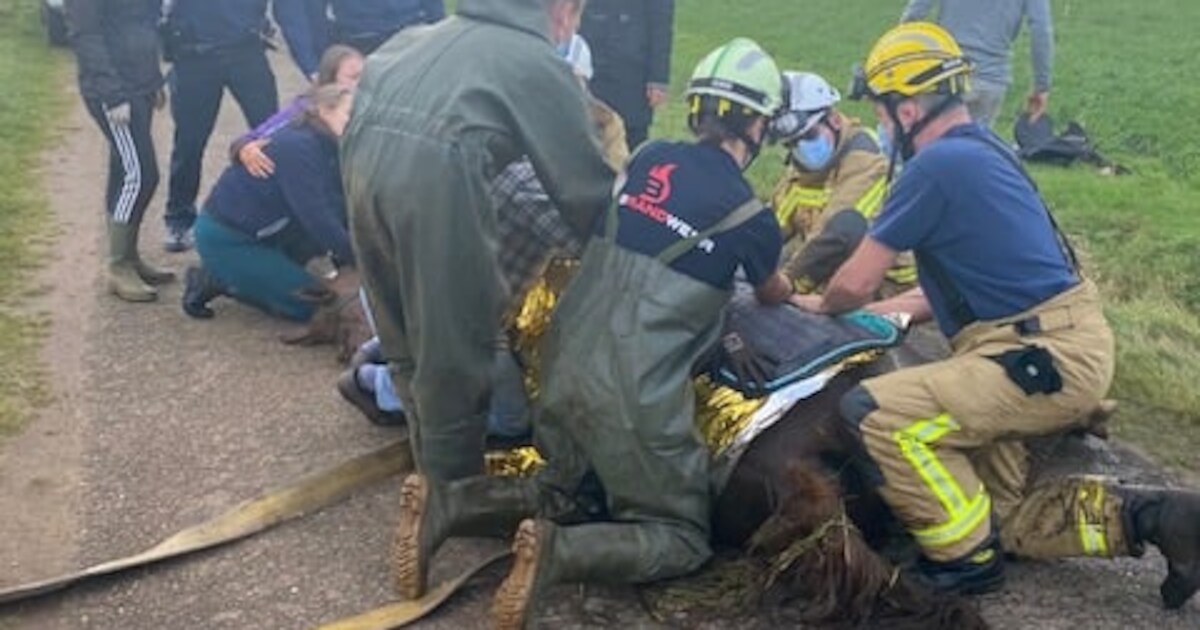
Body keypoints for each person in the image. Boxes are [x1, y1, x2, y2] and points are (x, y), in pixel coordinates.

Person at [790, 22, 1200, 606]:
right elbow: (939, 296)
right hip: (1052, 346)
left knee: (881, 417)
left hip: (1032, 356)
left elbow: (851, 282)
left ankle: (965, 566)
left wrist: (819, 306)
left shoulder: (932, 169)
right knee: (989, 513)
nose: (880, 123)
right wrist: (879, 314)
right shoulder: (981, 150)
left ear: (906, 110)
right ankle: (1160, 518)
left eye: (882, 111)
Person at [390, 38, 793, 629]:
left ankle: (447, 507)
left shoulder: (650, 156)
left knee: (564, 488)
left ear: (698, 109)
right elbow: (770, 293)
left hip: (561, 363)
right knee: (679, 536)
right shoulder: (751, 217)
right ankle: (560, 554)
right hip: (634, 394)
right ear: (758, 124)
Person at [342, 0, 615, 483]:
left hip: (362, 168)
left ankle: (418, 445)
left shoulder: (421, 38)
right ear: (564, 8)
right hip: (436, 183)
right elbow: (589, 197)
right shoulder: (538, 61)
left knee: (404, 327)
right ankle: (450, 497)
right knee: (457, 348)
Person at [181, 85, 357, 321]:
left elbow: (338, 204)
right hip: (228, 237)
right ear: (324, 110)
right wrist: (361, 259)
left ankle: (245, 274)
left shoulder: (330, 141)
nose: (356, 123)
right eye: (350, 115)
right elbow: (318, 217)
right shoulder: (297, 146)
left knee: (322, 254)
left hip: (271, 229)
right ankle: (216, 278)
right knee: (320, 306)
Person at [160, 0, 306, 252]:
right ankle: (178, 219)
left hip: (246, 51)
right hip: (194, 56)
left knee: (271, 138)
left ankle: (280, 213)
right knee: (189, 143)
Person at [65, 0, 175, 302]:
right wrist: (112, 94)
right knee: (141, 175)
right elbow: (86, 36)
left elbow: (144, 26)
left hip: (139, 83)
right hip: (112, 90)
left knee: (123, 169)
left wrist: (154, 80)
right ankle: (117, 265)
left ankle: (130, 256)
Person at [768, 70, 915, 296]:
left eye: (808, 137)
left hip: (888, 288)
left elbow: (836, 236)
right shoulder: (805, 167)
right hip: (833, 269)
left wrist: (786, 285)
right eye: (792, 143)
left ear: (834, 120)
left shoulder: (868, 164)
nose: (801, 148)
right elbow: (776, 221)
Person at [900, 0, 1053, 128]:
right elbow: (1040, 29)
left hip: (947, 73)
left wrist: (902, 58)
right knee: (973, 153)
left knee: (926, 148)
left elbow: (915, 13)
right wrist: (1041, 85)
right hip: (991, 81)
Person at [232, 45, 364, 179]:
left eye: (364, 75)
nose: (362, 82)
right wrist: (243, 148)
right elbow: (251, 138)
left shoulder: (377, 101)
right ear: (330, 80)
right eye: (353, 77)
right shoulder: (306, 106)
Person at [579, 0, 674, 150]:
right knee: (585, 131)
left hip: (633, 68)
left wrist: (658, 79)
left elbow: (661, 23)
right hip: (590, 58)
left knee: (632, 136)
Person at [277, 0, 446, 76]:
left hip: (414, 35)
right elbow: (296, 11)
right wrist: (313, 66)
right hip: (360, 45)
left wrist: (441, 38)